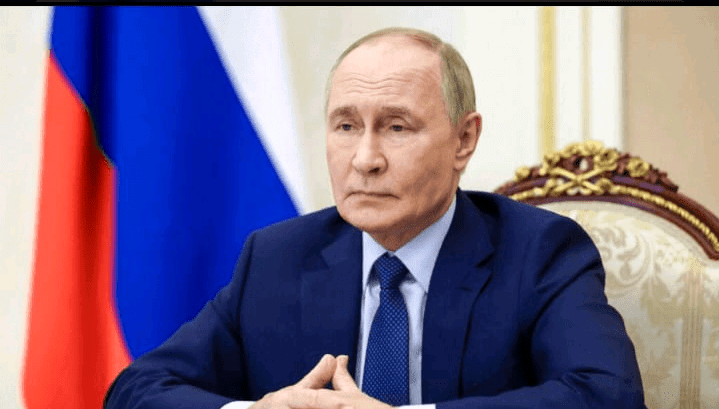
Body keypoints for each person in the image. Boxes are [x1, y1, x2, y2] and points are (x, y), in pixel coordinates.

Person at [104, 27, 645, 409]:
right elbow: (137, 389)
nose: (365, 159)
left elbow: (608, 395)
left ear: (464, 139)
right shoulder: (276, 258)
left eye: (396, 127)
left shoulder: (539, 251)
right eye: (345, 126)